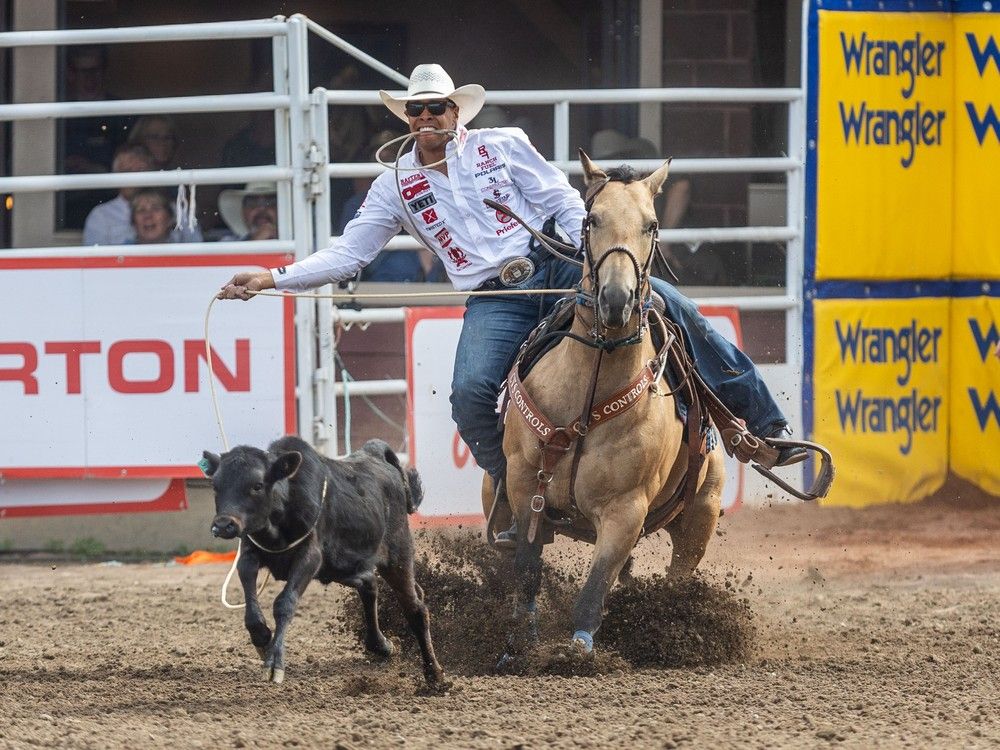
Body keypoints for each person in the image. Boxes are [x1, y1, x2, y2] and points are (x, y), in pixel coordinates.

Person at [218, 64, 803, 539]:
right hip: (494, 296)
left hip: (554, 263)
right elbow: (348, 255)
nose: (427, 118)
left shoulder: (503, 146)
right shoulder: (395, 184)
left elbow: (563, 201)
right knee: (470, 394)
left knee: (677, 310)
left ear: (456, 112)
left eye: (437, 108)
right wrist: (272, 278)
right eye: (416, 110)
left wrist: (593, 259)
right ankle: (516, 493)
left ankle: (759, 427)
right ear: (408, 118)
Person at [336, 129, 444, 282]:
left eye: (391, 156)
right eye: (379, 157)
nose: (384, 162)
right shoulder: (356, 203)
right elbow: (348, 255)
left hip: (418, 280)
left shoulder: (421, 194)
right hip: (374, 282)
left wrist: (429, 267)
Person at [60, 45, 133, 229]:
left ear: (104, 71)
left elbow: (137, 165)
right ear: (70, 74)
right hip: (63, 213)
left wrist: (96, 169)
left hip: (119, 216)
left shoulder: (123, 113)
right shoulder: (56, 114)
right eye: (83, 71)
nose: (90, 78)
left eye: (95, 70)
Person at [82, 144, 202, 246]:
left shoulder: (177, 210)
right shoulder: (100, 216)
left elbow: (197, 253)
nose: (136, 178)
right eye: (128, 171)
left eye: (141, 171)